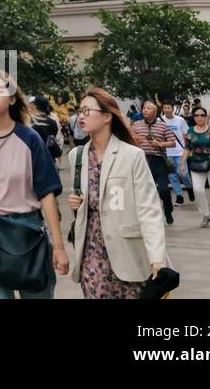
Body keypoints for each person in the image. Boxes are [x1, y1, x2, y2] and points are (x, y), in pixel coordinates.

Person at [0, 74, 68, 298]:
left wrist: (58, 247)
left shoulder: (30, 139)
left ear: (12, 99)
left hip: (28, 228)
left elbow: (47, 194)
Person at [65, 89, 170, 299]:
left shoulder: (132, 156)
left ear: (106, 116)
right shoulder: (76, 156)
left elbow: (149, 210)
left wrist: (157, 258)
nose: (81, 116)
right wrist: (76, 203)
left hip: (128, 253)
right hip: (91, 254)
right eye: (80, 110)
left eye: (87, 110)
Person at [130, 100, 176, 225]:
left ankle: (168, 209)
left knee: (163, 189)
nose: (145, 110)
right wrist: (134, 141)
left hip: (158, 160)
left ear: (155, 112)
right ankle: (147, 217)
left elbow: (173, 142)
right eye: (144, 108)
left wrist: (160, 144)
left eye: (148, 109)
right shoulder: (136, 125)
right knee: (143, 191)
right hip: (141, 161)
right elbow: (129, 140)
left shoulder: (163, 126)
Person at [185, 106, 210, 227]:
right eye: (196, 115)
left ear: (206, 116)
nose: (199, 118)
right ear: (193, 117)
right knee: (197, 190)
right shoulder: (190, 131)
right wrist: (182, 164)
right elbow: (187, 148)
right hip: (196, 164)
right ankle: (206, 214)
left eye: (202, 115)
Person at [162, 101, 190, 206]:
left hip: (180, 151)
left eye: (168, 107)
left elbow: (186, 135)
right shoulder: (160, 121)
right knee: (172, 176)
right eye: (165, 108)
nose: (166, 110)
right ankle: (179, 196)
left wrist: (188, 148)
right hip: (167, 152)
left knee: (183, 173)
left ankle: (189, 187)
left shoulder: (180, 120)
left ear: (172, 109)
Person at [30, 96, 63, 162]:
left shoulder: (31, 121)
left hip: (35, 158)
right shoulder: (52, 122)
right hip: (50, 158)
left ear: (35, 106)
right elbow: (55, 137)